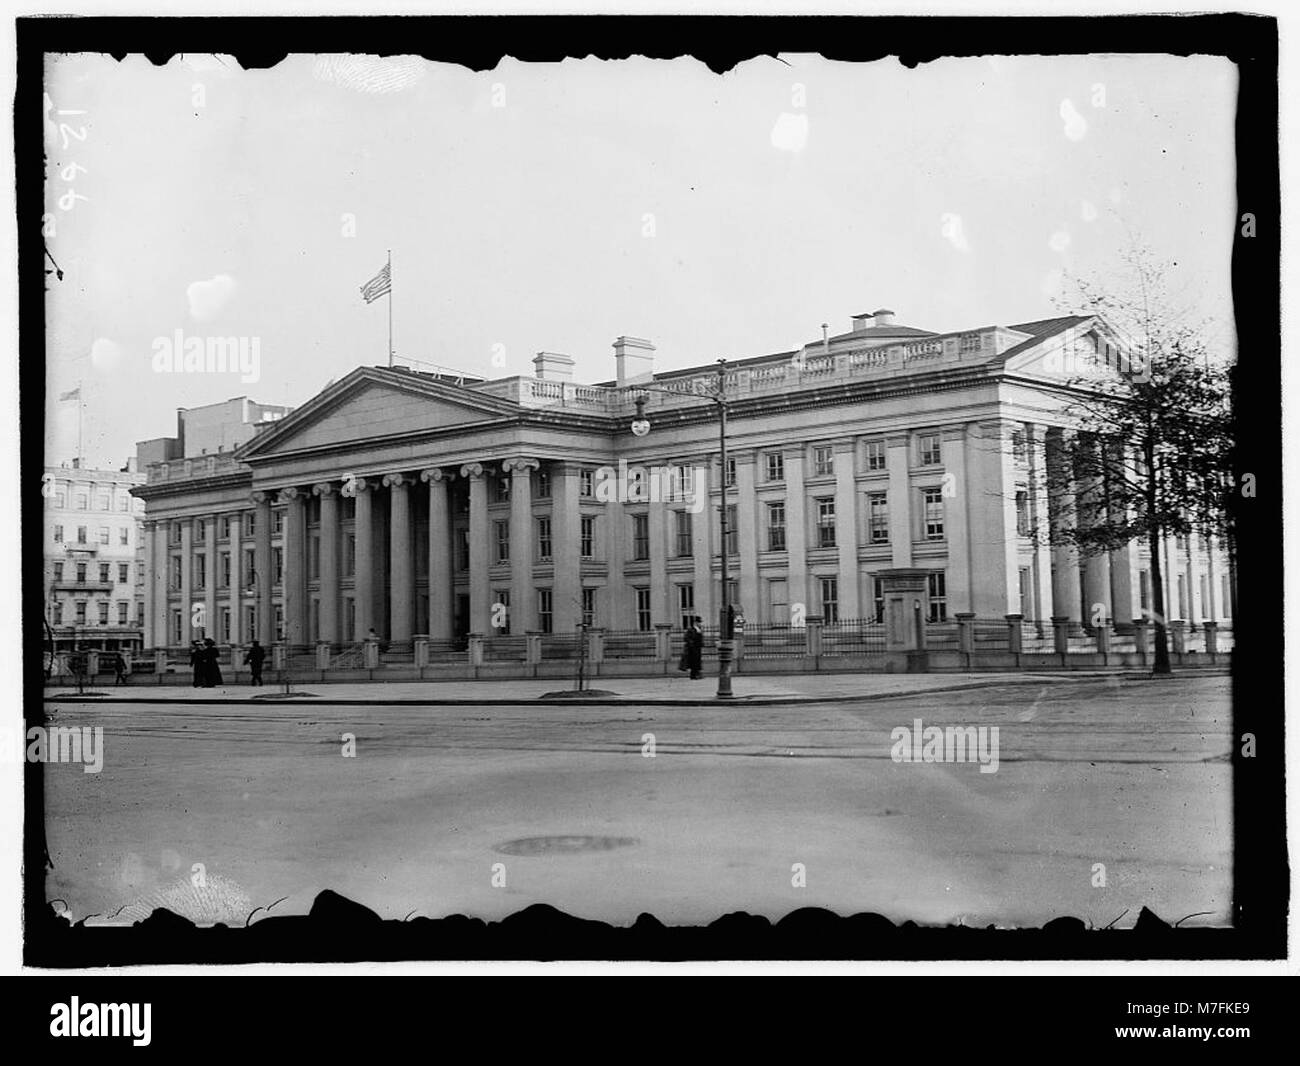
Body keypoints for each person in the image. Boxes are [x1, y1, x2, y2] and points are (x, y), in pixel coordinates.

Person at [683, 616, 704, 680]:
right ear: (695, 623)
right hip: (692, 649)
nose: (700, 623)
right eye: (699, 622)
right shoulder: (691, 630)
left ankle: (696, 674)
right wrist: (691, 644)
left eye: (700, 622)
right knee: (693, 662)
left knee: (697, 662)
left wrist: (701, 644)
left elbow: (700, 638)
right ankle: (694, 675)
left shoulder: (699, 630)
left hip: (698, 648)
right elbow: (686, 638)